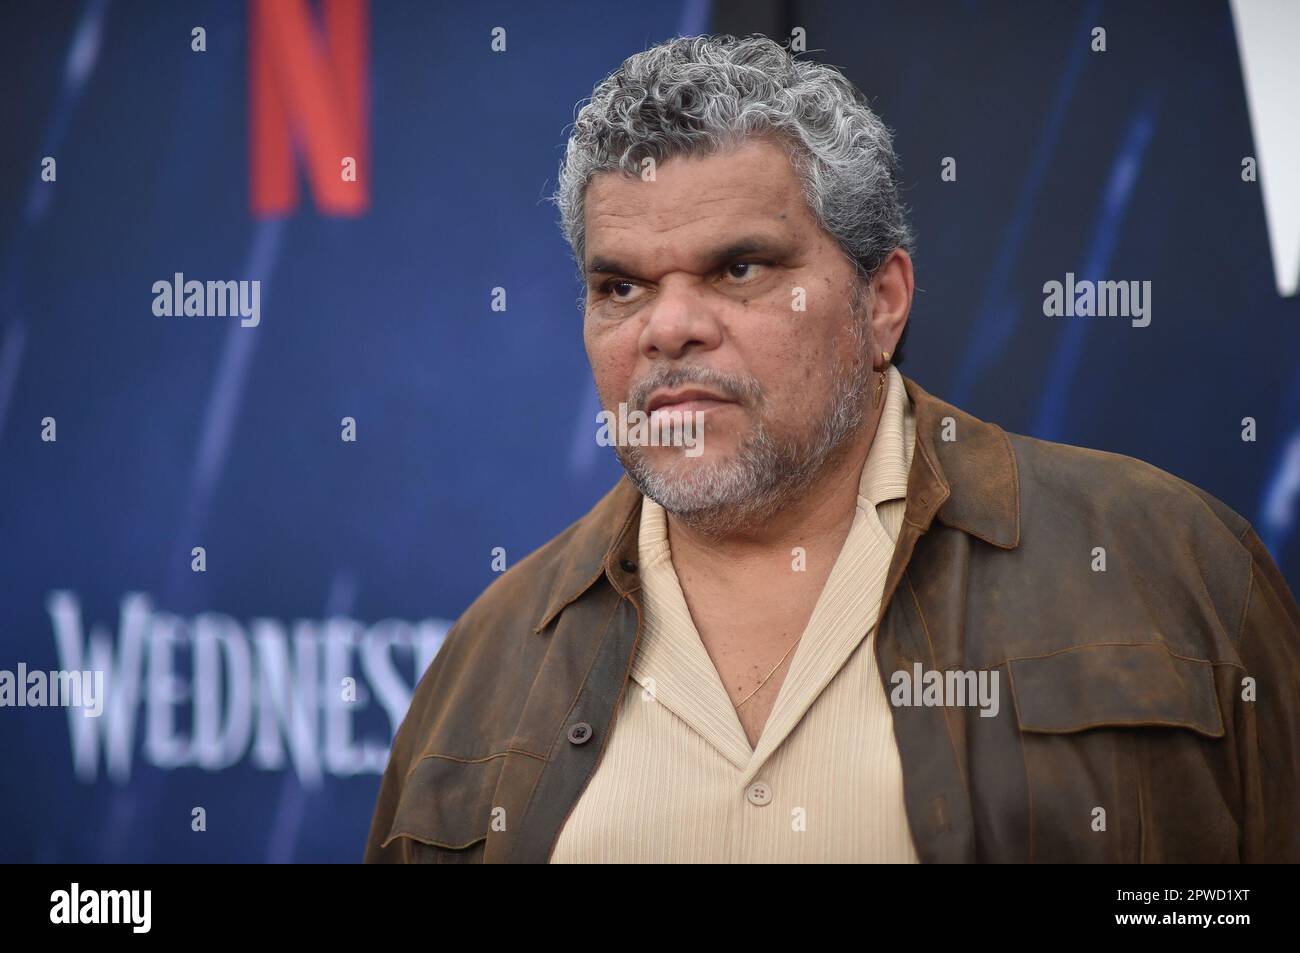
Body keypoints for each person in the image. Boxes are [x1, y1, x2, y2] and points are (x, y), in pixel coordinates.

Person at [364, 34, 1300, 863]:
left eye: (740, 268)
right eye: (620, 287)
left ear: (882, 299)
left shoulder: (1170, 567)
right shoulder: (487, 662)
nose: (669, 326)